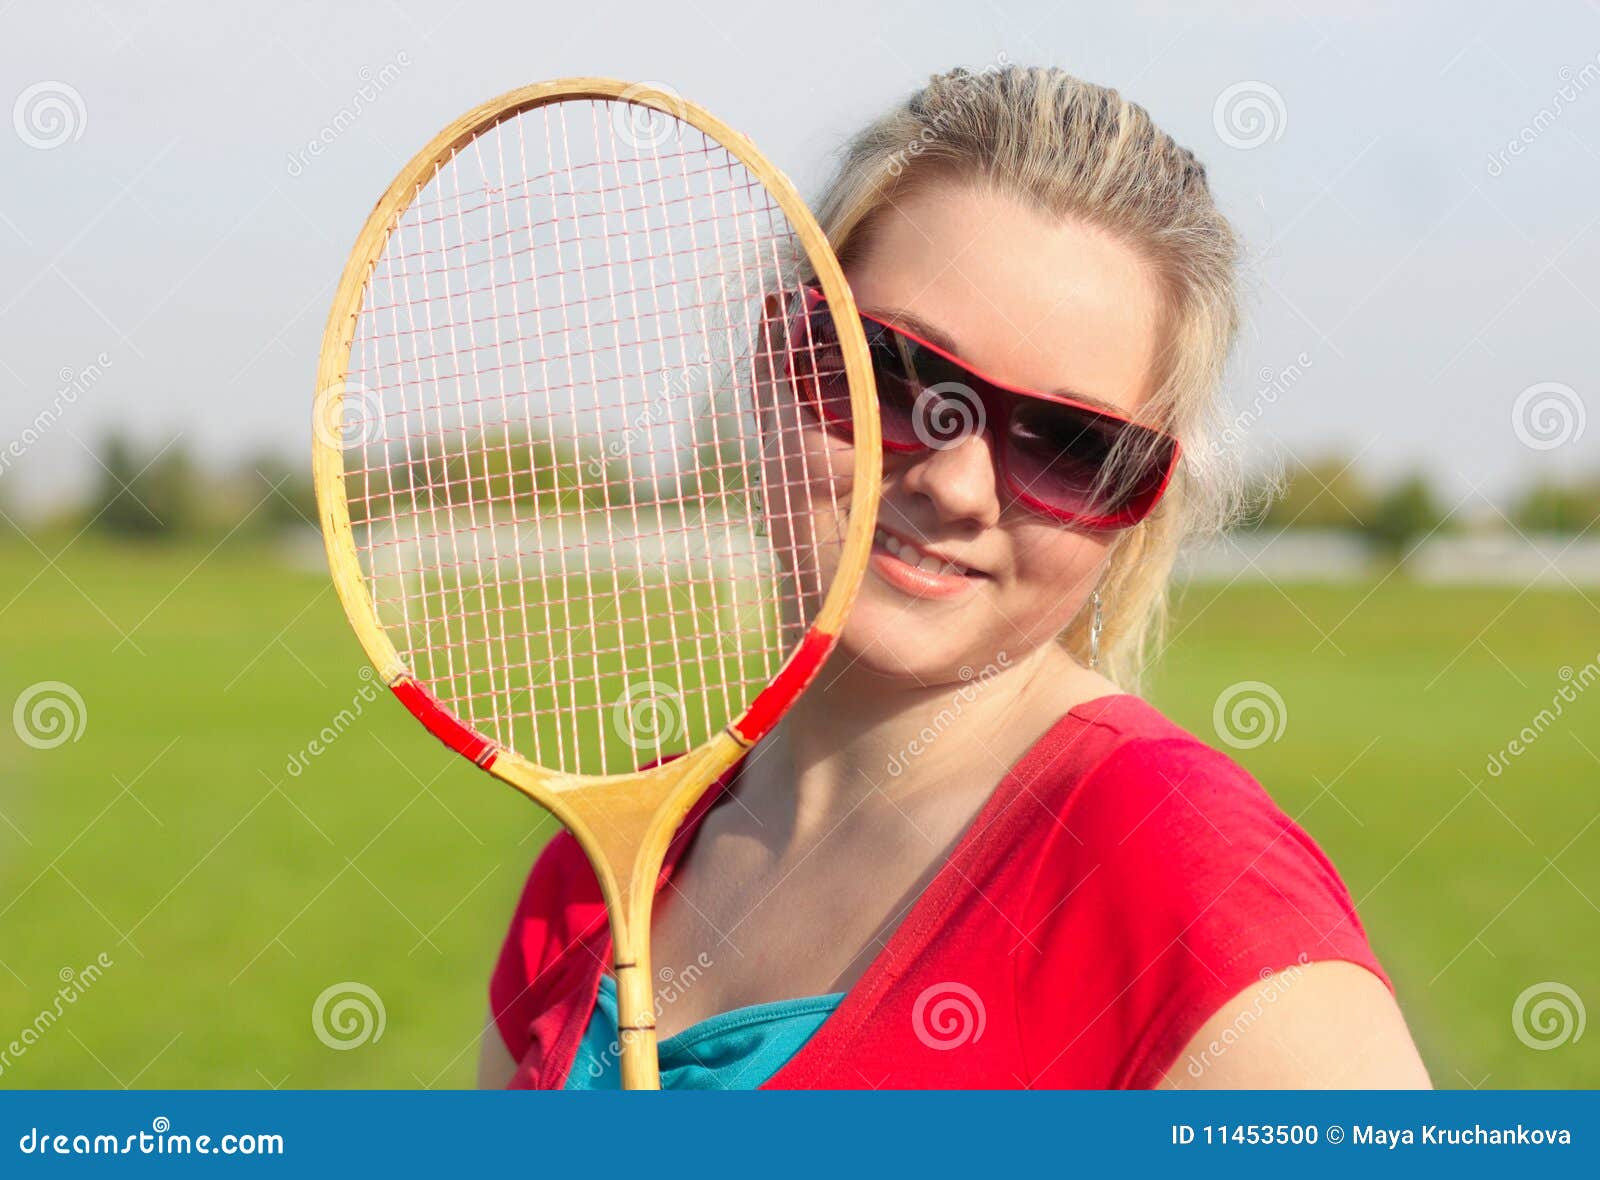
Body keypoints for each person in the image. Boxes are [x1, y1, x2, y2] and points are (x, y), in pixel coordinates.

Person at [477, 64, 1431, 1089]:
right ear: (780, 354)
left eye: (1069, 442)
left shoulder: (1183, 877)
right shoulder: (602, 859)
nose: (960, 482)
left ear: (1142, 498)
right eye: (902, 372)